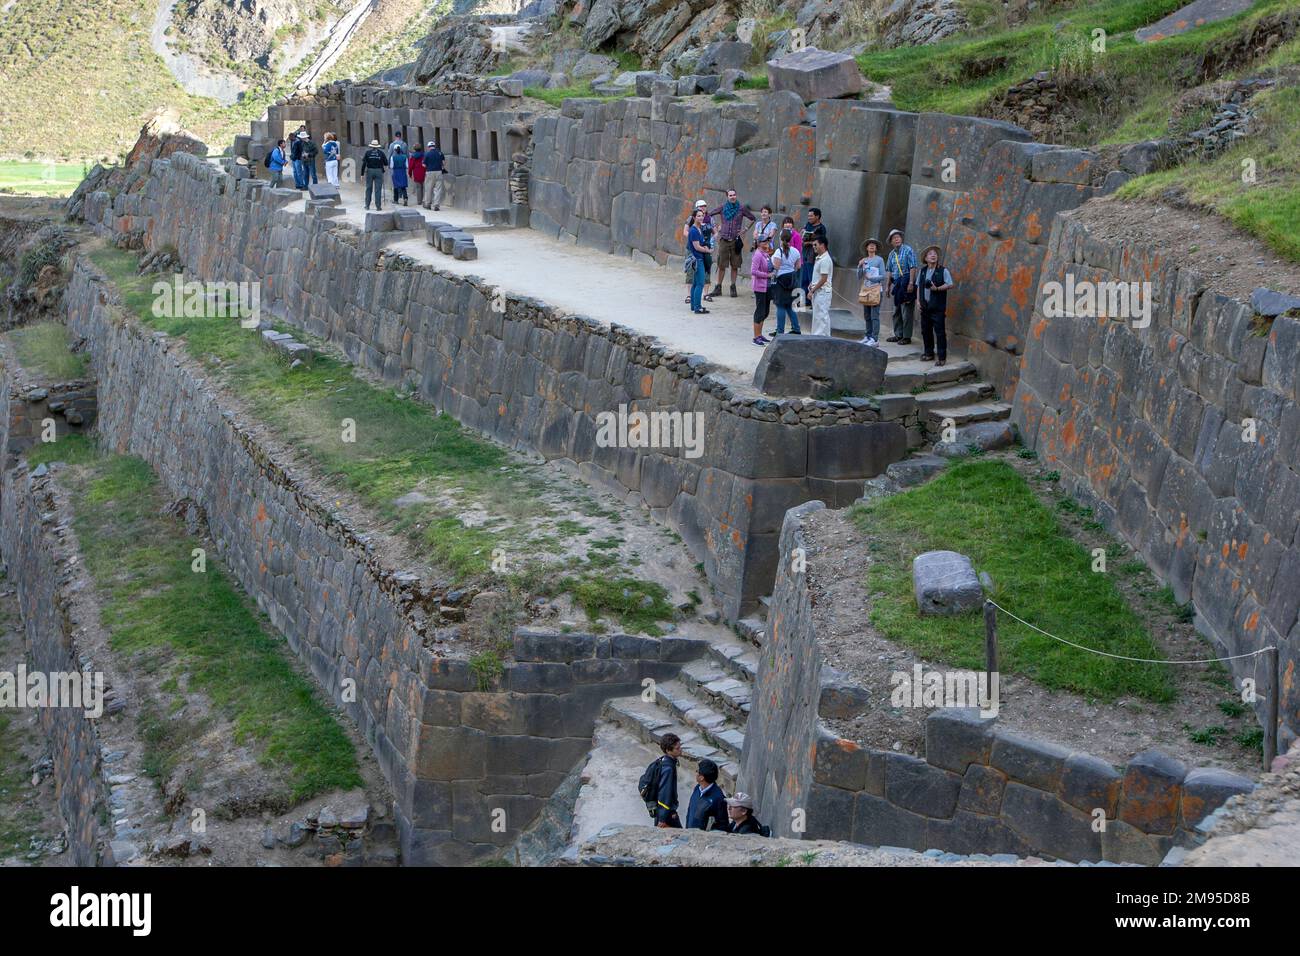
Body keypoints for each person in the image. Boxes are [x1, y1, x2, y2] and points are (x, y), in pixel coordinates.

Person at [708, 189, 755, 298]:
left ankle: (733, 287)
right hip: (724, 239)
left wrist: (745, 229)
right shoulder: (722, 207)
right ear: (727, 196)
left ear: (736, 195)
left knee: (735, 265)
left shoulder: (741, 208)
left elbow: (752, 218)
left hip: (735, 240)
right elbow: (709, 215)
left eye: (734, 195)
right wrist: (716, 227)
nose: (733, 197)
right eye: (730, 195)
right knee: (721, 265)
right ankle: (718, 287)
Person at [918, 245, 954, 366]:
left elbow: (950, 284)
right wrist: (918, 301)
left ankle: (942, 357)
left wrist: (937, 288)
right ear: (926, 258)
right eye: (930, 254)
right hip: (925, 307)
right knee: (925, 331)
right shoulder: (922, 271)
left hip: (938, 307)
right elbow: (919, 287)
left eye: (935, 254)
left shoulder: (943, 270)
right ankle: (929, 354)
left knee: (939, 332)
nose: (933, 255)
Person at [885, 228, 917, 345]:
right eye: (894, 238)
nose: (897, 239)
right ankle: (898, 334)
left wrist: (911, 283)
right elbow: (889, 270)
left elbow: (913, 267)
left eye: (898, 237)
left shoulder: (908, 250)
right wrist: (888, 286)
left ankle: (907, 336)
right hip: (897, 284)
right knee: (896, 311)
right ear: (891, 242)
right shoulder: (891, 254)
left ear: (901, 239)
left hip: (907, 282)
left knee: (906, 311)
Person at [645, 733, 682, 828]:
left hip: (662, 812)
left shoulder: (663, 761)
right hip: (667, 815)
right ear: (668, 751)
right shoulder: (668, 769)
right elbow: (665, 793)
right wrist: (662, 818)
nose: (680, 750)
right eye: (677, 748)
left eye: (680, 747)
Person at [770, 229, 802, 335]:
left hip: (781, 279)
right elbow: (798, 266)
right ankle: (796, 329)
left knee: (780, 305)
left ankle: (780, 331)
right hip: (792, 278)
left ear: (780, 239)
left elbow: (777, 266)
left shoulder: (779, 251)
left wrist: (771, 264)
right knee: (789, 305)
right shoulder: (796, 251)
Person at [685, 758, 729, 831]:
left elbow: (722, 825)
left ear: (702, 777)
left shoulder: (718, 798)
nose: (695, 773)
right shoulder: (697, 788)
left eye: (697, 771)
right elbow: (690, 811)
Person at [857, 237, 885, 347]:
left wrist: (871, 278)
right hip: (866, 289)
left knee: (874, 315)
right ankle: (867, 336)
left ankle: (875, 338)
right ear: (866, 247)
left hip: (876, 289)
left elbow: (883, 275)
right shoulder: (864, 260)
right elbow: (859, 276)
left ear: (876, 248)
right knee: (867, 315)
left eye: (874, 244)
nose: (872, 246)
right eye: (870, 244)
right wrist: (859, 265)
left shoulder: (879, 260)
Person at [750, 234, 774, 346]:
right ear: (759, 243)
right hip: (760, 287)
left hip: (767, 286)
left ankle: (759, 334)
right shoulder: (758, 255)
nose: (766, 242)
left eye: (767, 241)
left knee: (765, 311)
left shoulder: (766, 254)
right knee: (760, 311)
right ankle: (756, 337)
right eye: (764, 241)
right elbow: (753, 271)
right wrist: (767, 275)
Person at [686, 207, 711, 314]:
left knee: (695, 283)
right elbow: (696, 247)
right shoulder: (694, 230)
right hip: (697, 259)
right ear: (694, 217)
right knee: (700, 283)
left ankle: (694, 306)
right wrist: (707, 250)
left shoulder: (698, 229)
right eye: (698, 216)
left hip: (697, 258)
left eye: (702, 215)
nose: (701, 218)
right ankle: (697, 307)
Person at [809, 235, 833, 336]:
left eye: (816, 245)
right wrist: (812, 284)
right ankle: (818, 337)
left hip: (822, 292)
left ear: (822, 245)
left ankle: (821, 338)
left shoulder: (825, 259)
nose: (814, 247)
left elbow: (824, 279)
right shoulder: (819, 258)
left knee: (822, 316)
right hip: (818, 291)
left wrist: (812, 290)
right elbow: (818, 276)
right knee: (817, 316)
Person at [800, 208, 827, 299]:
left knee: (812, 278)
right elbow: (801, 236)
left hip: (814, 256)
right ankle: (804, 299)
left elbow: (821, 243)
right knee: (804, 279)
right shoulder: (807, 225)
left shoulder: (821, 228)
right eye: (808, 216)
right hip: (805, 254)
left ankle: (812, 298)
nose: (809, 218)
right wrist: (802, 234)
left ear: (817, 216)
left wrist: (809, 243)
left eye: (811, 216)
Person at [361, 139, 388, 210]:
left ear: (371, 146)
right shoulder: (381, 153)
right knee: (378, 189)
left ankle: (367, 205)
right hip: (379, 171)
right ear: (378, 146)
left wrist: (362, 174)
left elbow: (364, 164)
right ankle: (378, 206)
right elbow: (386, 163)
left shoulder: (367, 153)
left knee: (368, 188)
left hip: (369, 171)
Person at [422, 141, 445, 210]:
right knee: (438, 189)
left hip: (430, 172)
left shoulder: (427, 154)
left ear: (428, 147)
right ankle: (436, 205)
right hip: (439, 171)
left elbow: (424, 165)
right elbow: (443, 163)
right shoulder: (440, 153)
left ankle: (428, 204)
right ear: (434, 146)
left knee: (428, 188)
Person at [391, 140, 409, 206]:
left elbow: (391, 166)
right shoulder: (405, 157)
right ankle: (405, 198)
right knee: (403, 186)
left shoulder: (393, 157)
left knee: (396, 186)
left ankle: (396, 200)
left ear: (395, 150)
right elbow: (407, 166)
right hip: (403, 172)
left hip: (396, 172)